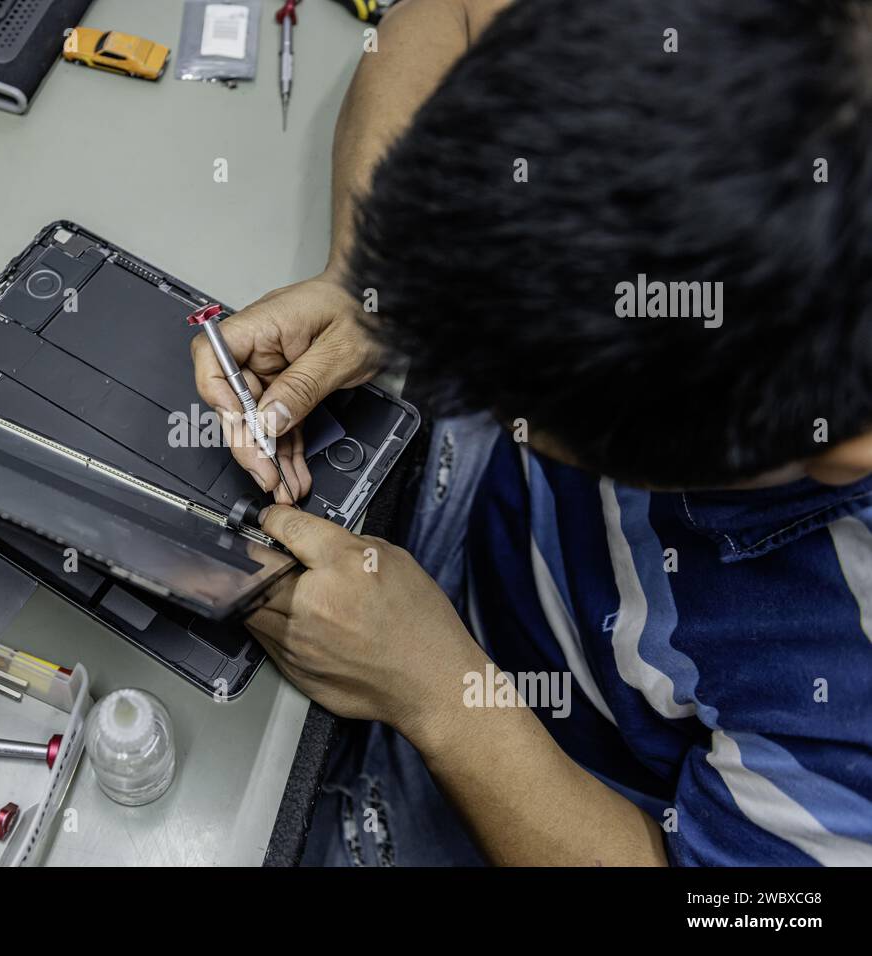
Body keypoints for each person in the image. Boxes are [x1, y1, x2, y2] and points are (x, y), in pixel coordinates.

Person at [191, 0, 872, 866]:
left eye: (536, 406)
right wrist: (377, 276)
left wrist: (442, 695)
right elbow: (457, 12)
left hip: (554, 774)